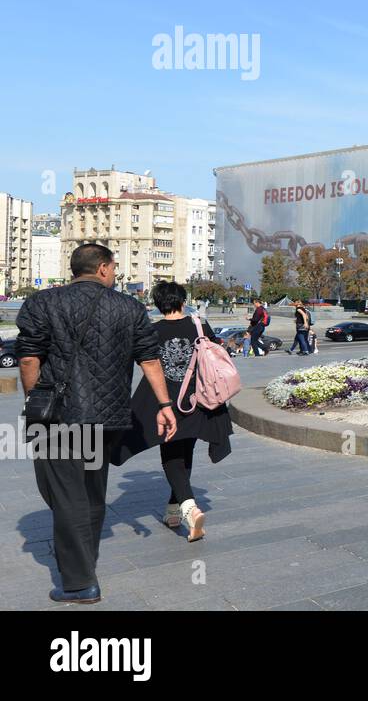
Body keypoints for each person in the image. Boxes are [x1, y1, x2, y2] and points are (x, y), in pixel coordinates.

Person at [15, 244, 176, 604]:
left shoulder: (42, 303)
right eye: (114, 267)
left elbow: (28, 358)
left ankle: (78, 583)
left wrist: (33, 400)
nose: (115, 273)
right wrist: (165, 405)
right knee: (90, 489)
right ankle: (85, 555)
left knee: (63, 491)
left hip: (59, 418)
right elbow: (149, 360)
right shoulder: (130, 308)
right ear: (102, 269)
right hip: (109, 417)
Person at [111, 281, 233, 542]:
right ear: (182, 300)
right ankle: (173, 510)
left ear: (158, 303)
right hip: (198, 400)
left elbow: (142, 361)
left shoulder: (151, 330)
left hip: (164, 402)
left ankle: (188, 508)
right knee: (184, 452)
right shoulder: (199, 325)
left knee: (171, 455)